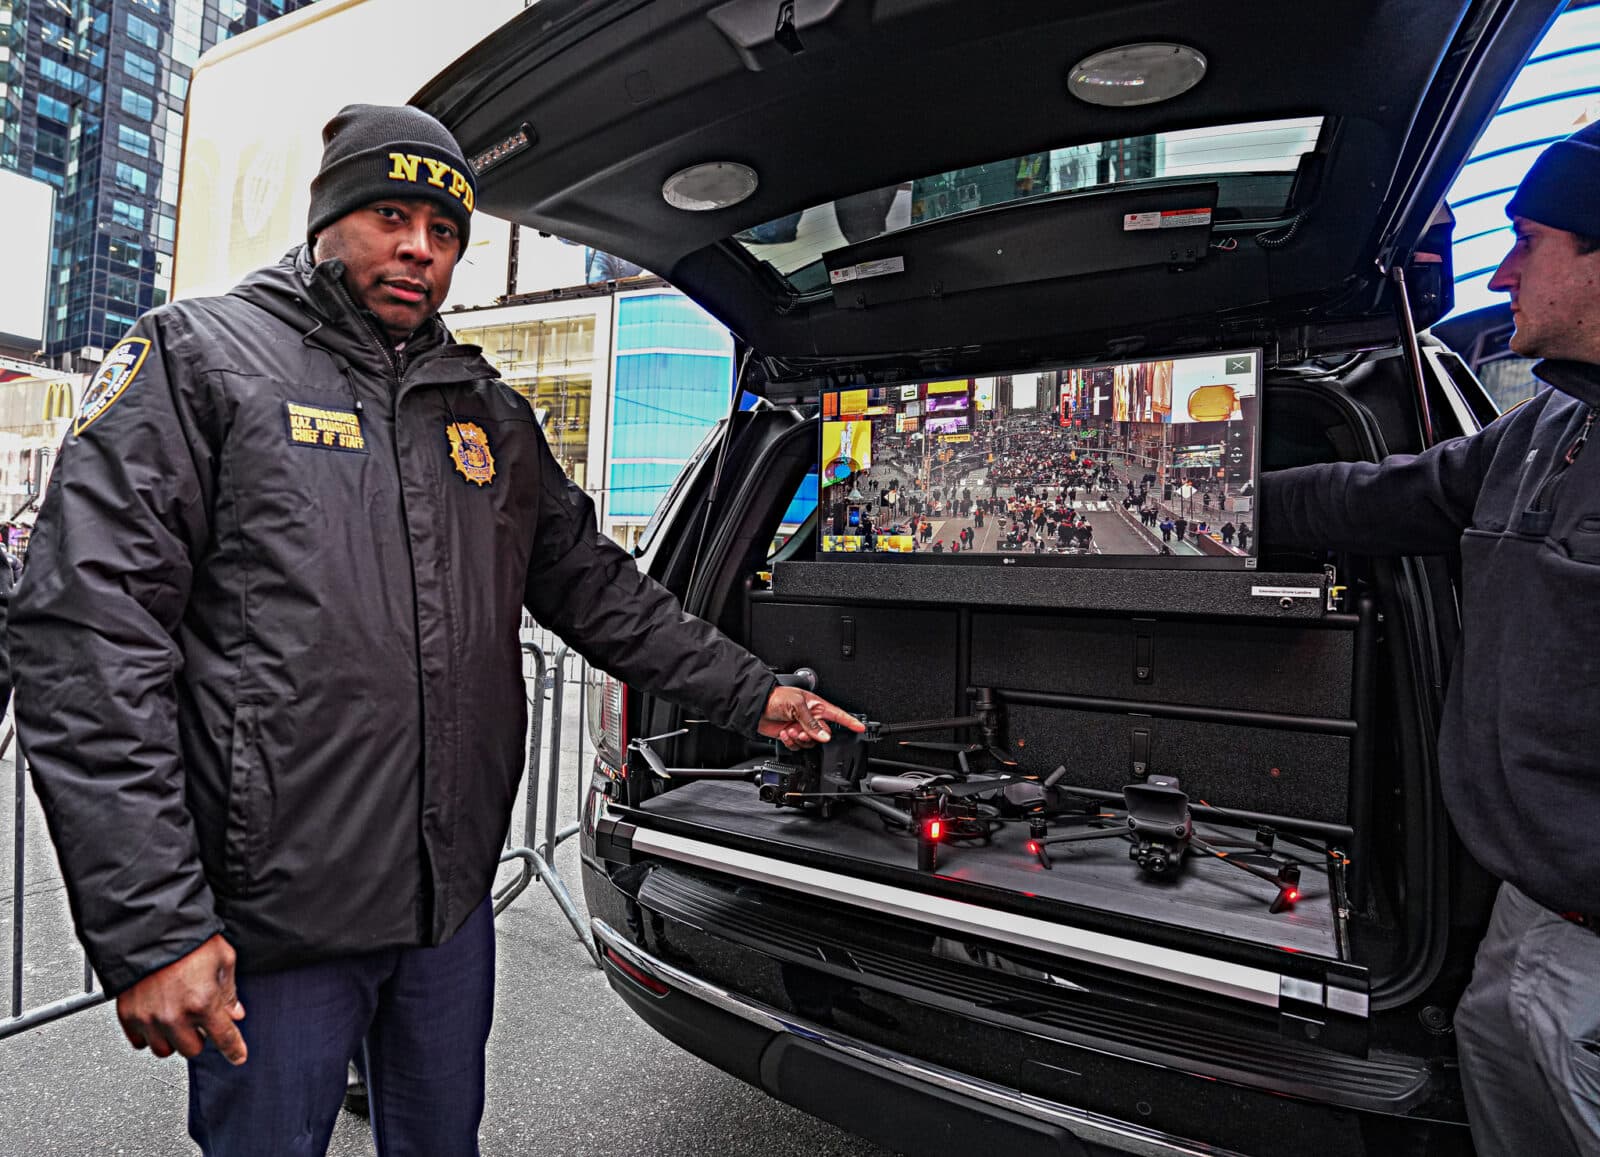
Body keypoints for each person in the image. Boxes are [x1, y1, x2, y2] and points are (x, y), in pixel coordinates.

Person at [6, 104, 862, 1157]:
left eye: (445, 228)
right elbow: (86, 636)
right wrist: (153, 929)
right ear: (328, 220)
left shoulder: (486, 410)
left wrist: (758, 693)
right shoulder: (200, 359)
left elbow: (598, 589)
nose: (420, 246)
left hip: (446, 910)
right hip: (278, 923)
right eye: (389, 214)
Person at [1258, 122, 1600, 1157]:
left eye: (1527, 239)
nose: (1500, 271)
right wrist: (1198, 510)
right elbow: (1373, 497)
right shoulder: (1542, 429)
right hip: (1524, 910)